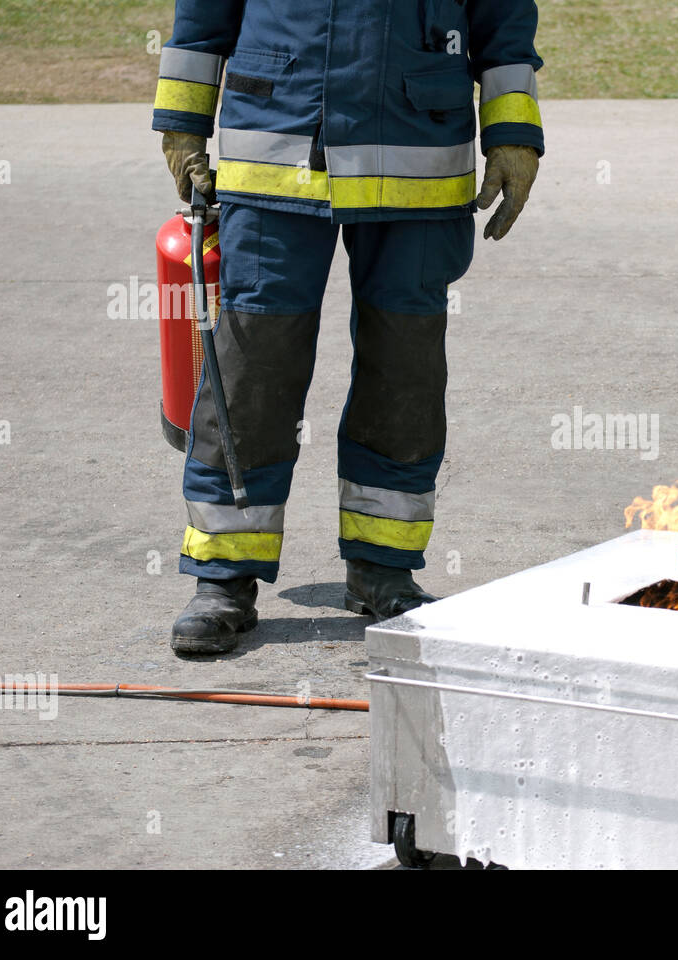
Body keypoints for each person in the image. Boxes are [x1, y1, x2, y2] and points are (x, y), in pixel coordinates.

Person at [154, 0, 544, 654]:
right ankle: (223, 573)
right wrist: (182, 127)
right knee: (254, 370)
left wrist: (513, 135)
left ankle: (382, 569)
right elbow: (203, 12)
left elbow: (503, 17)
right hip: (278, 148)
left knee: (405, 376)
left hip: (420, 159)